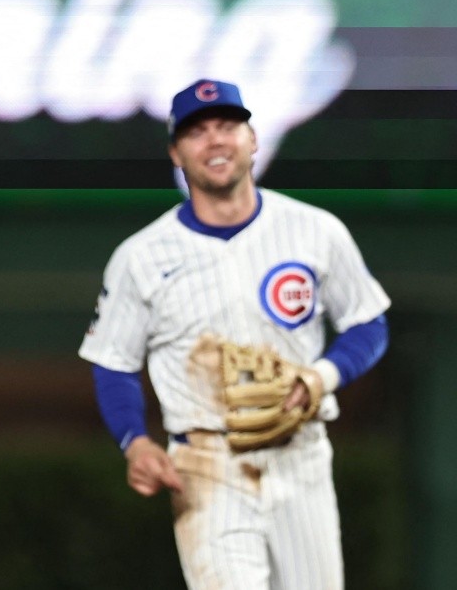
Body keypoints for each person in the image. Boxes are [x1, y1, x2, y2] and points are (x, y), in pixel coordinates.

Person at [78, 78, 390, 589]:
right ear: (176, 152)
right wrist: (135, 442)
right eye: (198, 132)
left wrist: (321, 376)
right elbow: (113, 360)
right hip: (205, 461)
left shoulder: (315, 229)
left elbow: (368, 320)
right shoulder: (142, 255)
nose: (216, 140)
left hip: (301, 450)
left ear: (254, 139)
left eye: (228, 126)